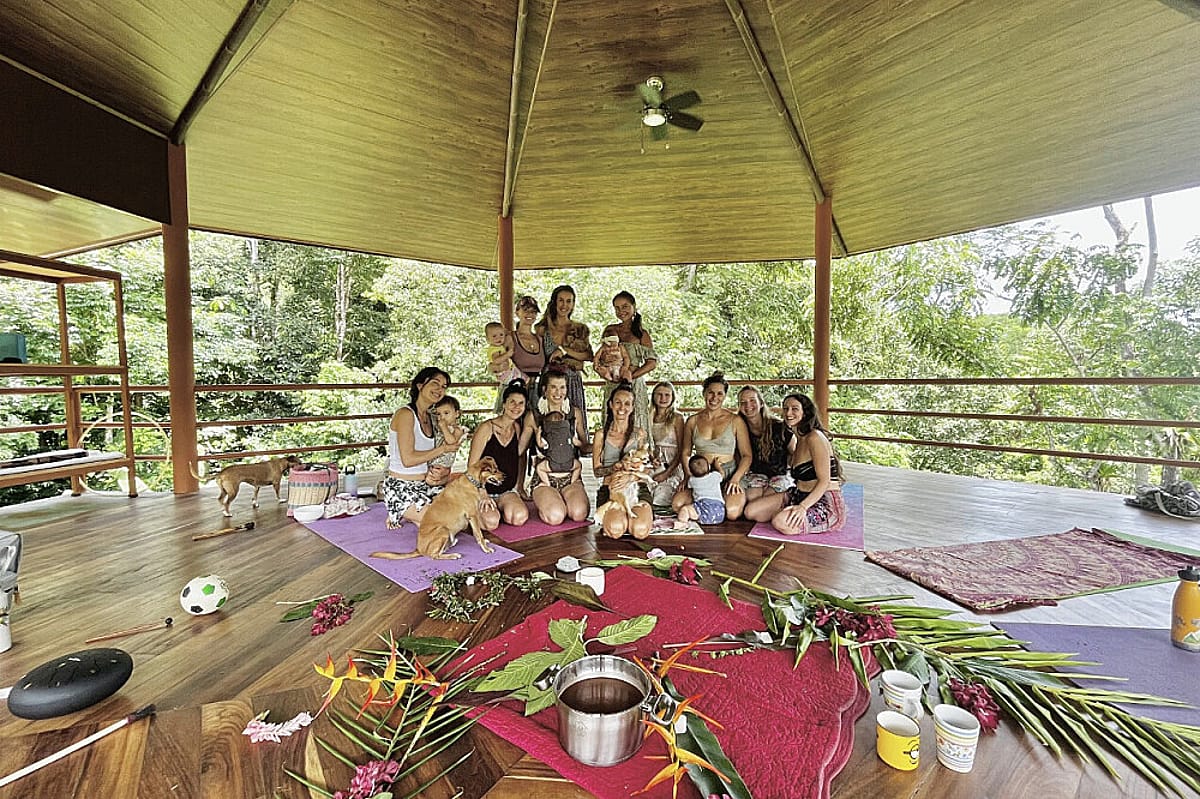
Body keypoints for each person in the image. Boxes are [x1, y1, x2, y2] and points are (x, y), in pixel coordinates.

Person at [744, 392, 846, 535]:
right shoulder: (798, 439)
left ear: (805, 412)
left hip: (822, 501)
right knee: (751, 511)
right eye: (785, 408)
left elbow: (824, 481)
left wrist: (803, 507)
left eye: (795, 409)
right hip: (798, 495)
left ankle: (794, 515)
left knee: (779, 521)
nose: (788, 413)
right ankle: (787, 513)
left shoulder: (815, 437)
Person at [381, 367, 455, 529]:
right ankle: (403, 509)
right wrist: (443, 449)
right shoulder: (405, 414)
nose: (440, 389)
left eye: (444, 386)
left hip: (427, 485)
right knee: (442, 523)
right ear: (420, 385)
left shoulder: (433, 417)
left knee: (459, 516)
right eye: (435, 383)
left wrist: (443, 472)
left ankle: (410, 515)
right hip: (401, 486)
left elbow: (440, 457)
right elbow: (408, 460)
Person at [673, 372, 753, 520]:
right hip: (701, 475)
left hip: (729, 473)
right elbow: (685, 452)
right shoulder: (692, 421)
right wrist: (688, 476)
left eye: (719, 393)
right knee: (677, 504)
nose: (714, 397)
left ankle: (716, 501)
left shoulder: (735, 420)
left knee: (732, 512)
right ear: (704, 393)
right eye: (710, 392)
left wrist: (735, 479)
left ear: (725, 396)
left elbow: (747, 455)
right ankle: (710, 503)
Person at [469, 379, 536, 527]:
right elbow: (472, 466)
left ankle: (500, 509)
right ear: (504, 404)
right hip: (483, 490)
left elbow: (519, 456)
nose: (516, 407)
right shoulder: (486, 428)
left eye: (521, 403)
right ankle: (475, 510)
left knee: (519, 517)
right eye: (512, 402)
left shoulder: (517, 428)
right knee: (491, 522)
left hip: (506, 491)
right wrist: (482, 493)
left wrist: (519, 487)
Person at [536, 285, 593, 450]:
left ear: (573, 304)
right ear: (554, 302)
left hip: (572, 381)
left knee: (574, 421)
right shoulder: (542, 328)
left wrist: (563, 351)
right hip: (550, 382)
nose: (564, 305)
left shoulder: (580, 329)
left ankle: (576, 455)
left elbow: (589, 355)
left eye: (569, 301)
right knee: (549, 422)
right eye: (561, 300)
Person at [592, 384, 653, 538]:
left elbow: (647, 467)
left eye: (627, 404)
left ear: (632, 408)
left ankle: (633, 517)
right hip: (612, 491)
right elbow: (597, 471)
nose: (622, 408)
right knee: (616, 529)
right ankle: (619, 518)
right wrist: (616, 467)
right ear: (611, 405)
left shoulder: (639, 434)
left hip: (637, 488)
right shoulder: (601, 435)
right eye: (618, 402)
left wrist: (631, 477)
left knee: (639, 530)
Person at [530, 367, 590, 524]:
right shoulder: (534, 415)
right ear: (545, 389)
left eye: (562, 387)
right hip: (545, 477)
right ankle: (549, 499)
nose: (558, 392)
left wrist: (600, 443)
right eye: (553, 387)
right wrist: (518, 486)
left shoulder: (574, 413)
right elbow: (520, 451)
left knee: (579, 514)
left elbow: (584, 446)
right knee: (556, 516)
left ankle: (563, 498)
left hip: (570, 476)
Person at [601, 291, 658, 449]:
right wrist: (606, 370)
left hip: (634, 384)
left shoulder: (642, 334)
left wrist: (630, 377)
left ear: (634, 307)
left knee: (636, 420)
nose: (621, 311)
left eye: (625, 306)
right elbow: (601, 357)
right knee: (613, 419)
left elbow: (652, 362)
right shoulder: (610, 330)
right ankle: (611, 456)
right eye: (617, 308)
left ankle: (638, 457)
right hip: (613, 382)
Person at [737, 386, 795, 501]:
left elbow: (795, 453)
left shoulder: (780, 427)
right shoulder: (739, 427)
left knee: (766, 499)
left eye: (752, 400)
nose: (748, 405)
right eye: (743, 402)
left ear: (761, 403)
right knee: (751, 497)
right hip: (756, 475)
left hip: (780, 474)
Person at [502, 295, 546, 411]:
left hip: (537, 391)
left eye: (533, 311)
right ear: (517, 312)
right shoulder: (510, 337)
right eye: (526, 310)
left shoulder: (540, 339)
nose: (530, 314)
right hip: (515, 390)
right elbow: (498, 362)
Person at [649, 380, 685, 506]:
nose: (663, 398)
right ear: (653, 396)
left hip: (673, 464)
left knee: (661, 496)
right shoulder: (649, 417)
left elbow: (682, 449)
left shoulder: (677, 418)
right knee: (644, 489)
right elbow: (646, 444)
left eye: (667, 395)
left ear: (672, 397)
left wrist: (667, 473)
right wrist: (651, 458)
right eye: (659, 394)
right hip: (655, 462)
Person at [675, 455, 726, 526]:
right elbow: (722, 473)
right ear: (709, 467)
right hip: (719, 514)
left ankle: (682, 523)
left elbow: (689, 487)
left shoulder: (692, 480)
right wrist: (717, 466)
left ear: (691, 471)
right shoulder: (715, 476)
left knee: (685, 509)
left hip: (703, 511)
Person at [428, 395, 467, 476]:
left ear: (457, 414)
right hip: (433, 458)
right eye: (438, 414)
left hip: (443, 463)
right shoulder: (438, 427)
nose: (442, 417)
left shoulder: (458, 430)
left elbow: (451, 442)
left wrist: (444, 427)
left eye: (446, 413)